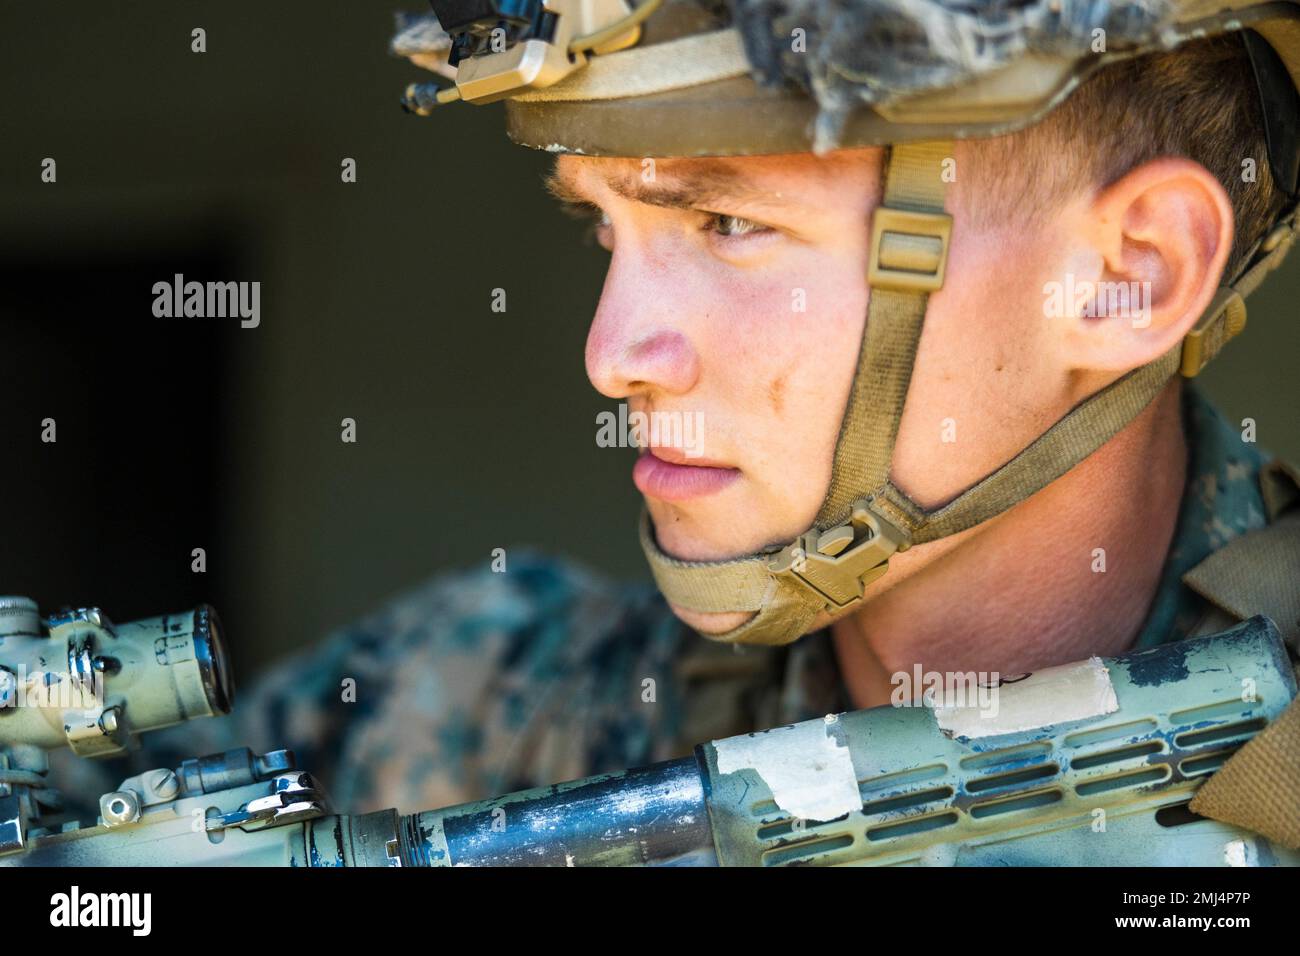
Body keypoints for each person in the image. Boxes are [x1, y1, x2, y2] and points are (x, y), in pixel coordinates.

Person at [63, 0, 1300, 854]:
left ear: (1129, 271)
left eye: (727, 225)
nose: (609, 357)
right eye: (603, 224)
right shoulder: (490, 702)